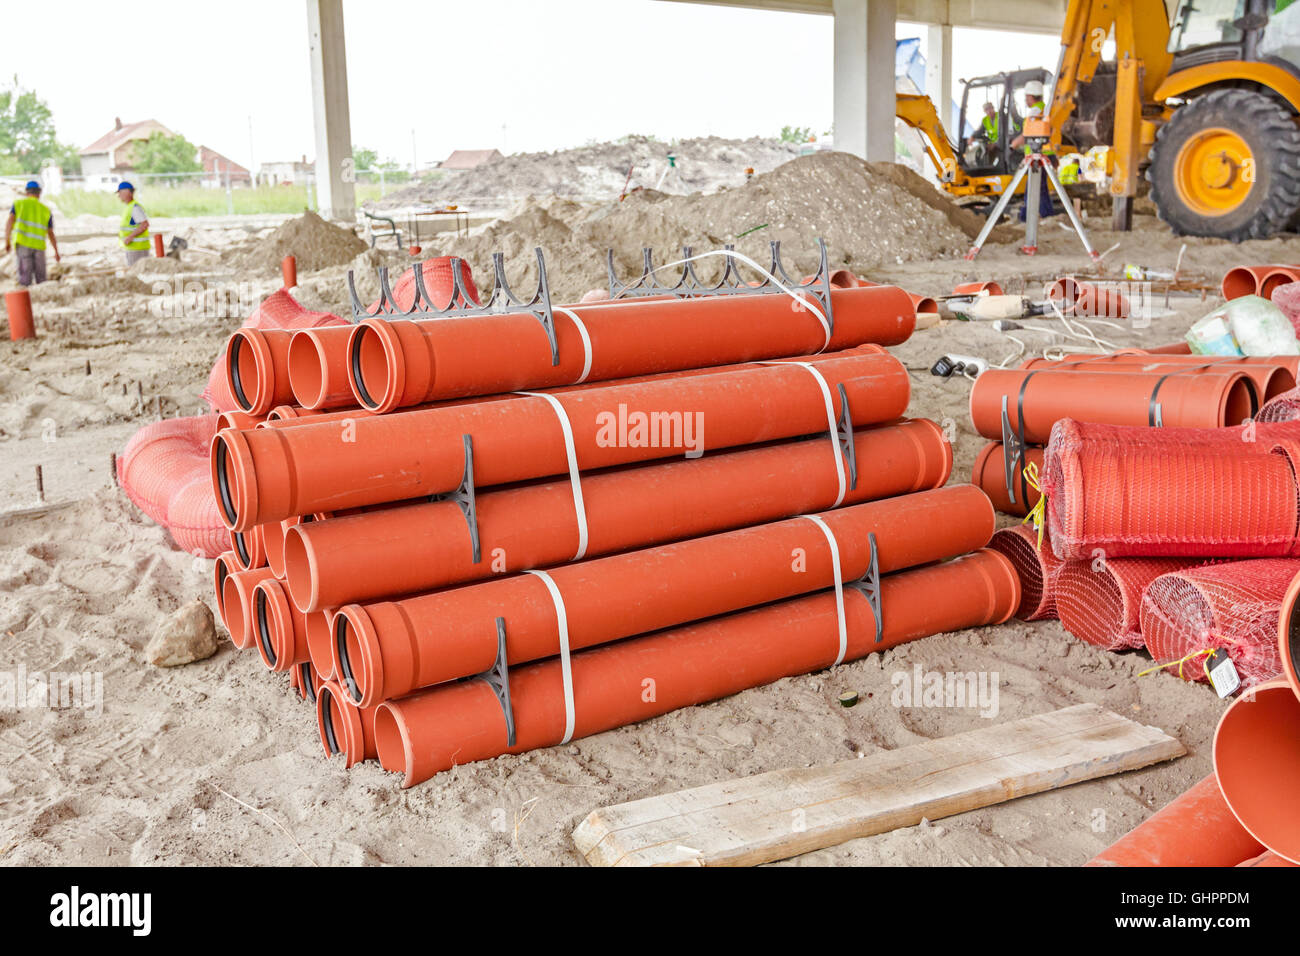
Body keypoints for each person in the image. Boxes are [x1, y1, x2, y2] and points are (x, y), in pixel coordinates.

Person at [4, 180, 60, 286]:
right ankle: (42, 298)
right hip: (39, 247)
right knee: (41, 278)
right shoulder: (45, 210)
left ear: (26, 192)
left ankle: (27, 299)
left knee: (25, 279)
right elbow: (50, 233)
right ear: (39, 193)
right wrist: (56, 251)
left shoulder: (18, 204)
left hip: (23, 245)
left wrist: (7, 241)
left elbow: (10, 222)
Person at [116, 181, 151, 266]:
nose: (119, 195)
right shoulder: (129, 207)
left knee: (136, 272)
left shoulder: (134, 207)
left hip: (138, 249)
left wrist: (130, 237)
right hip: (133, 248)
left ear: (127, 192)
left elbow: (144, 224)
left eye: (120, 192)